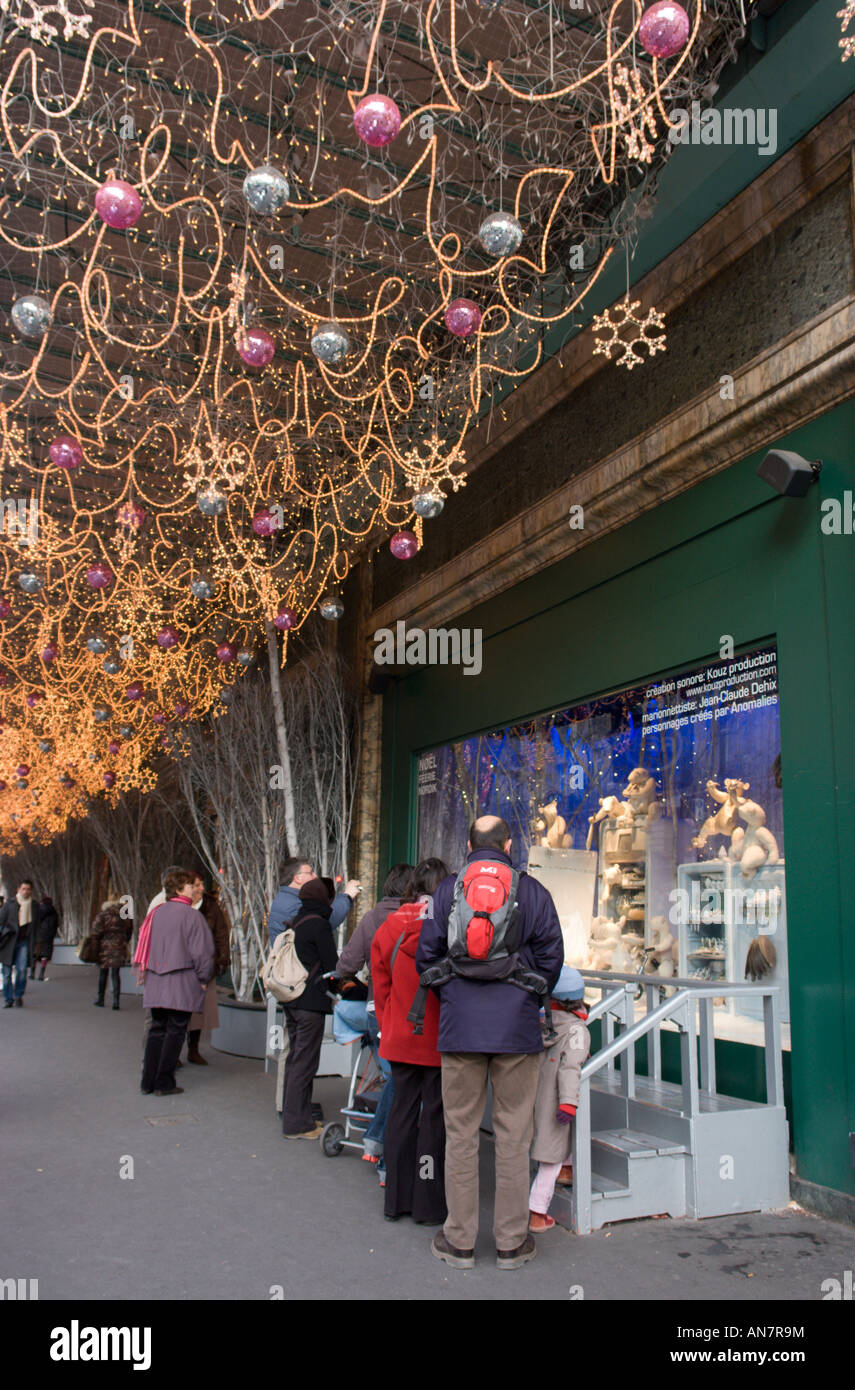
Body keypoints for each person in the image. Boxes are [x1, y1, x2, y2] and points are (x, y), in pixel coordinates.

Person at [416, 815, 564, 1271]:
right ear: (509, 843)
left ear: (467, 844)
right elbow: (552, 960)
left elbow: (427, 956)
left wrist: (459, 993)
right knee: (514, 1136)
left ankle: (459, 1241)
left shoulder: (448, 891)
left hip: (461, 1029)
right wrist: (521, 993)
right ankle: (511, 1243)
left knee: (460, 1134)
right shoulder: (533, 891)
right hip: (517, 1032)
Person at [371, 858, 449, 1225]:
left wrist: (391, 1023)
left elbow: (381, 984)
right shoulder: (447, 928)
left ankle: (395, 1199)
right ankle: (427, 1202)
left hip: (400, 1035)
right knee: (433, 1120)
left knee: (401, 1112)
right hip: (436, 1039)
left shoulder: (391, 926)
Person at [335, 863, 412, 1165]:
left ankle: (378, 1142)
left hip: (376, 1009)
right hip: (409, 1012)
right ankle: (381, 1146)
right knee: (401, 1078)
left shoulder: (371, 918)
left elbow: (345, 966)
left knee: (393, 1076)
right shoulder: (421, 918)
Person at [140, 868, 214, 1096]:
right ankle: (164, 1082)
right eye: (192, 886)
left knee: (157, 1029)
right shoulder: (192, 915)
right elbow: (203, 952)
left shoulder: (157, 913)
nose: (196, 889)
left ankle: (147, 1081)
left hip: (156, 978)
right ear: (181, 888)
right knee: (176, 1031)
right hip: (181, 980)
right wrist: (203, 978)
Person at [528, 967, 590, 1232]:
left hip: (535, 1097)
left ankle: (568, 1169)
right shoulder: (576, 1030)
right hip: (556, 1101)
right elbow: (571, 1067)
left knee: (553, 1147)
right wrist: (568, 1101)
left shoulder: (542, 1023)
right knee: (550, 1160)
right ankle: (537, 1212)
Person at [281, 877, 339, 1139]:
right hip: (310, 1004)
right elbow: (332, 966)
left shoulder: (297, 921)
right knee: (305, 1063)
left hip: (292, 1000)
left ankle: (299, 1117)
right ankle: (297, 1124)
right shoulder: (319, 925)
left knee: (296, 1060)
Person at [184, 874, 231, 1064]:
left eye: (202, 884)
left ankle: (193, 1049)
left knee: (200, 1011)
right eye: (196, 884)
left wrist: (221, 960)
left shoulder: (211, 906)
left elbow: (221, 933)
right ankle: (175, 1050)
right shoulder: (178, 905)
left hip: (205, 965)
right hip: (182, 966)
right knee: (180, 1009)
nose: (201, 888)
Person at [267, 856, 360, 949]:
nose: (315, 876)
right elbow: (326, 920)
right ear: (298, 878)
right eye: (310, 873)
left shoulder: (289, 899)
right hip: (296, 963)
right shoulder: (293, 904)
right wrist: (347, 896)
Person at [0, 881, 41, 1008]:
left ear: (31, 891)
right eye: (23, 889)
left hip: (24, 942)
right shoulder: (10, 904)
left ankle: (18, 995)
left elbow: (37, 925)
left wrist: (37, 943)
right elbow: (1, 920)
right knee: (6, 973)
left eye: (28, 889)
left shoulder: (34, 906)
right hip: (8, 942)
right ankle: (8, 998)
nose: (26, 891)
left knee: (22, 970)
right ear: (18, 889)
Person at [91, 899, 133, 1009]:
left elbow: (96, 931)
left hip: (105, 948)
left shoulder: (103, 915)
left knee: (103, 973)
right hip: (119, 947)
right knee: (116, 974)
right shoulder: (125, 915)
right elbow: (129, 931)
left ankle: (101, 999)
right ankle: (116, 1001)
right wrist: (124, 941)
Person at [31, 894, 60, 980]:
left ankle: (32, 974)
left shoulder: (39, 910)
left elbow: (35, 922)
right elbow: (56, 925)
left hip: (39, 935)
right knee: (45, 956)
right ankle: (41, 974)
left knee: (35, 954)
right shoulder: (54, 912)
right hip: (49, 937)